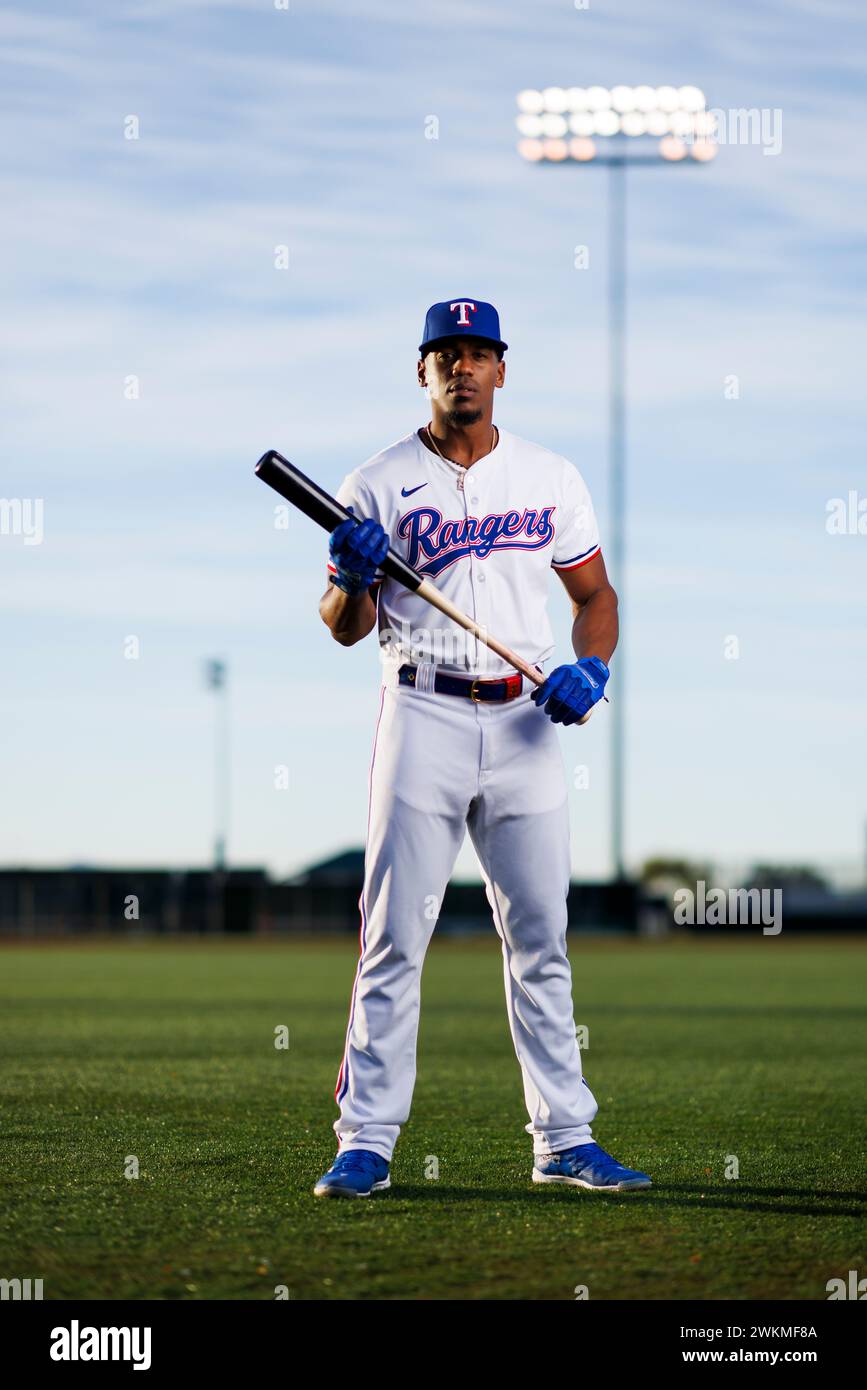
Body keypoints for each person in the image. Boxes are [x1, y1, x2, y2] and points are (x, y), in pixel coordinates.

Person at [313, 297, 651, 1198]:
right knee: (392, 936)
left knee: (540, 937)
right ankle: (367, 1142)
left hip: (527, 716)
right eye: (443, 354)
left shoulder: (549, 476)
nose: (461, 367)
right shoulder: (377, 480)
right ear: (420, 371)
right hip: (420, 709)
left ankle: (564, 1139)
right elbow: (344, 628)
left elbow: (595, 596)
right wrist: (349, 575)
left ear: (502, 369)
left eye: (477, 353)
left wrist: (594, 666)